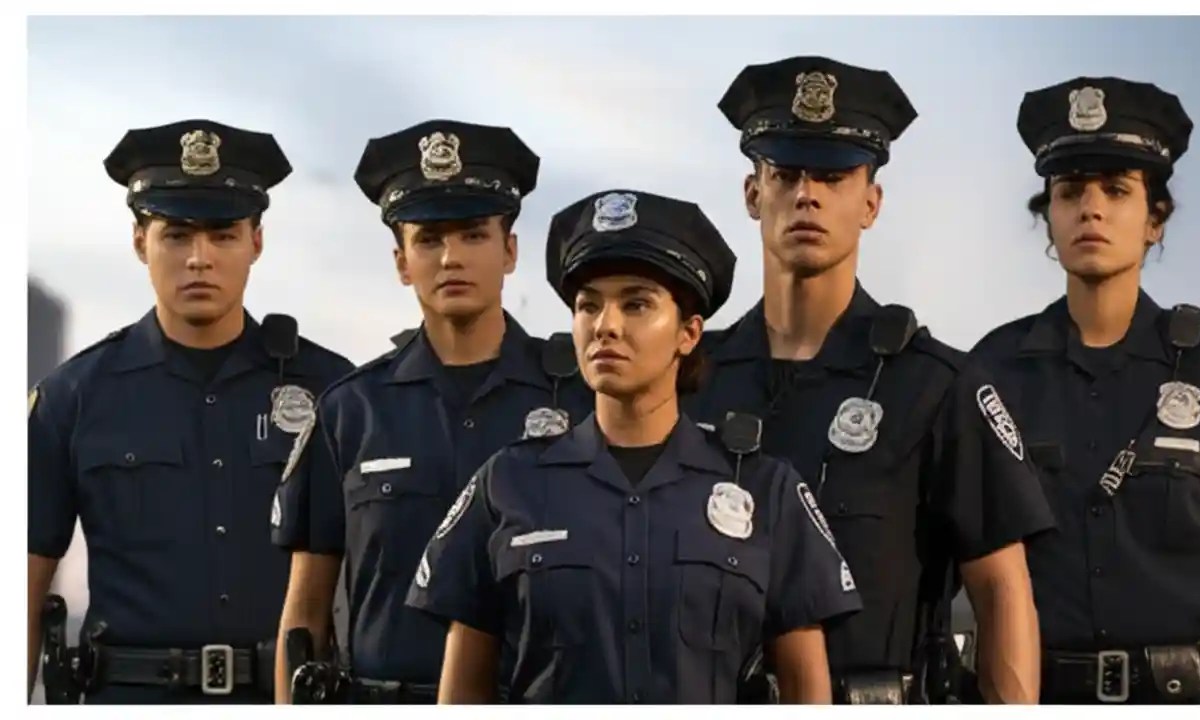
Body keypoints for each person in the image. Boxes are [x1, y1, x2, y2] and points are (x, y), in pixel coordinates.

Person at [690, 56, 1057, 704]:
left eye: (833, 176)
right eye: (786, 174)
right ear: (753, 193)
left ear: (870, 202)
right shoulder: (688, 382)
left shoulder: (934, 385)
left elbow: (1001, 592)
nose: (808, 194)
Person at [405, 189, 862, 704]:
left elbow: (807, 693)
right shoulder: (508, 484)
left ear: (689, 333)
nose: (606, 325)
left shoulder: (764, 490)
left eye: (637, 303)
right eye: (588, 305)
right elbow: (462, 694)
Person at [27, 120, 354, 704]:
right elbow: (21, 589)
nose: (199, 258)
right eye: (176, 235)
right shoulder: (74, 396)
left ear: (257, 241)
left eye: (223, 235)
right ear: (138, 241)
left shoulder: (333, 392)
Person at [271, 120, 591, 704]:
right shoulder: (350, 412)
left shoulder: (579, 403)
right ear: (401, 261)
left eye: (473, 235)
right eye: (428, 239)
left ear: (510, 250)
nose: (451, 258)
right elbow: (304, 617)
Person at [968, 76, 1200, 704]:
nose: (1090, 209)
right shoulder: (992, 372)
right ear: (1050, 220)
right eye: (1069, 192)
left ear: (1155, 221)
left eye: (1117, 192)